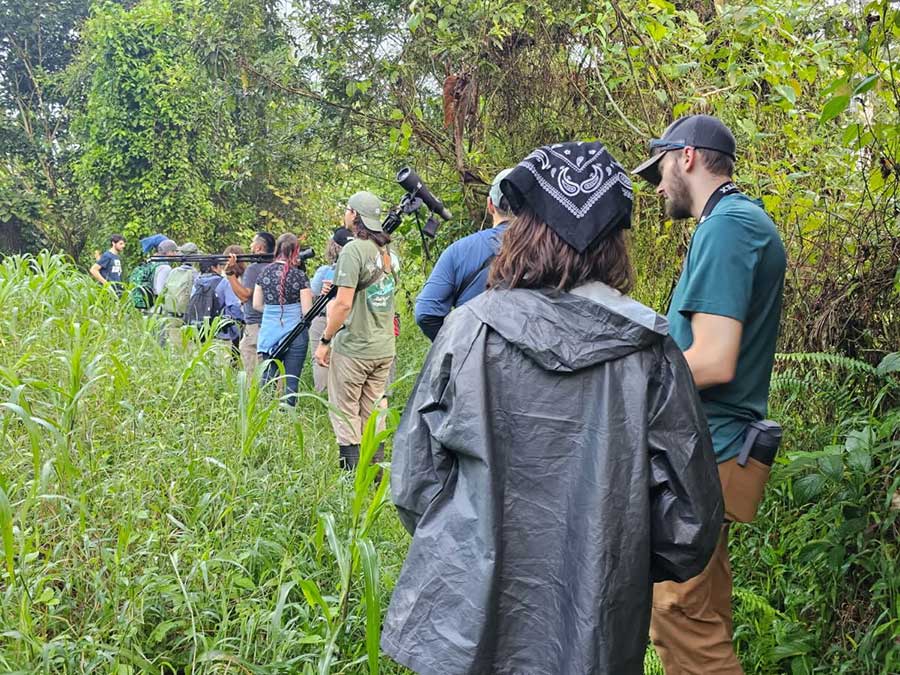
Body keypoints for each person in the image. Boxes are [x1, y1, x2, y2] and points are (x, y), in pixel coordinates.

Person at [381, 141, 723, 675]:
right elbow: (689, 523)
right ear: (614, 241)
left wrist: (472, 553)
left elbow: (414, 483)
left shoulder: (468, 331)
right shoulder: (651, 352)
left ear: (522, 230)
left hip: (469, 629)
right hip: (597, 634)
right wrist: (613, 565)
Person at [632, 114, 787, 674]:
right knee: (700, 611)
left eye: (663, 169)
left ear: (688, 157)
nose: (661, 187)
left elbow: (715, 360)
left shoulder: (729, 226)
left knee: (679, 612)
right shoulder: (731, 223)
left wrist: (627, 388)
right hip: (711, 447)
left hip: (710, 449)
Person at [314, 191, 396, 470]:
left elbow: (343, 304)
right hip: (384, 347)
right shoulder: (387, 252)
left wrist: (325, 339)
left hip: (355, 348)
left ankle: (351, 479)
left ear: (355, 216)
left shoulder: (353, 250)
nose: (346, 214)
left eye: (348, 209)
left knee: (346, 410)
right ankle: (374, 472)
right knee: (374, 410)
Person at [414, 168, 514, 340]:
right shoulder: (556, 250)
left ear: (490, 205)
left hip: (476, 361)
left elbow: (426, 313)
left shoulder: (459, 251)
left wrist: (458, 346)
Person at [254, 233, 313, 406]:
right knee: (291, 381)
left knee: (267, 380)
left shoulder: (263, 273)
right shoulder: (299, 276)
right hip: (295, 333)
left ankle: (264, 416)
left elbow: (257, 304)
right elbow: (307, 310)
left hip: (269, 332)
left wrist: (274, 312)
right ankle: (288, 416)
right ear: (296, 251)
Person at [308, 227, 353, 391]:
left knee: (320, 359)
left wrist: (323, 294)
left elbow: (311, 297)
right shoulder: (360, 270)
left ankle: (323, 394)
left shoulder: (324, 271)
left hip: (326, 317)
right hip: (349, 317)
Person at [225, 232, 276, 377]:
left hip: (255, 327)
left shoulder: (254, 269)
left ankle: (255, 399)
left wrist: (230, 273)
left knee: (252, 375)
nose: (250, 246)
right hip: (275, 324)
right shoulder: (277, 266)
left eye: (253, 242)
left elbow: (245, 295)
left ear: (259, 247)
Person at [159, 242, 199, 347]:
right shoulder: (195, 274)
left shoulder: (173, 271)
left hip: (170, 314)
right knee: (187, 348)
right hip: (185, 316)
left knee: (173, 346)